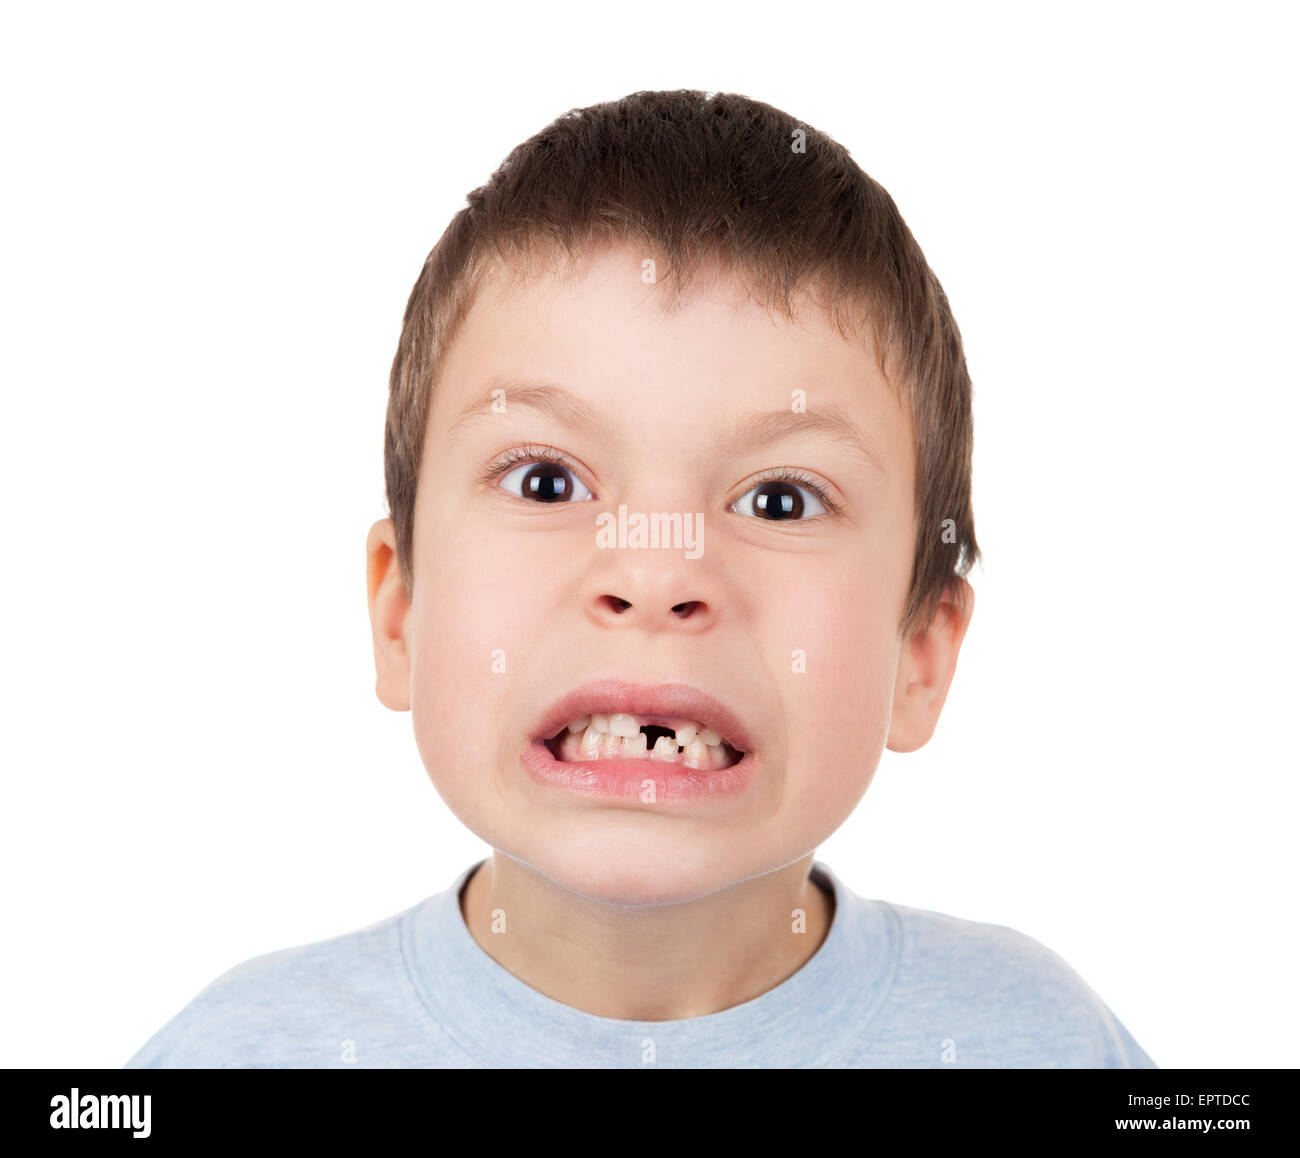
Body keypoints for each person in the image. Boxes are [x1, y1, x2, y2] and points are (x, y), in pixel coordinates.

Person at [126, 89, 1154, 1068]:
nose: (657, 575)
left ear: (921, 652)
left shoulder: (1039, 1040)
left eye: (779, 500)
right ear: (399, 610)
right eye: (544, 479)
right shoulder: (238, 1052)